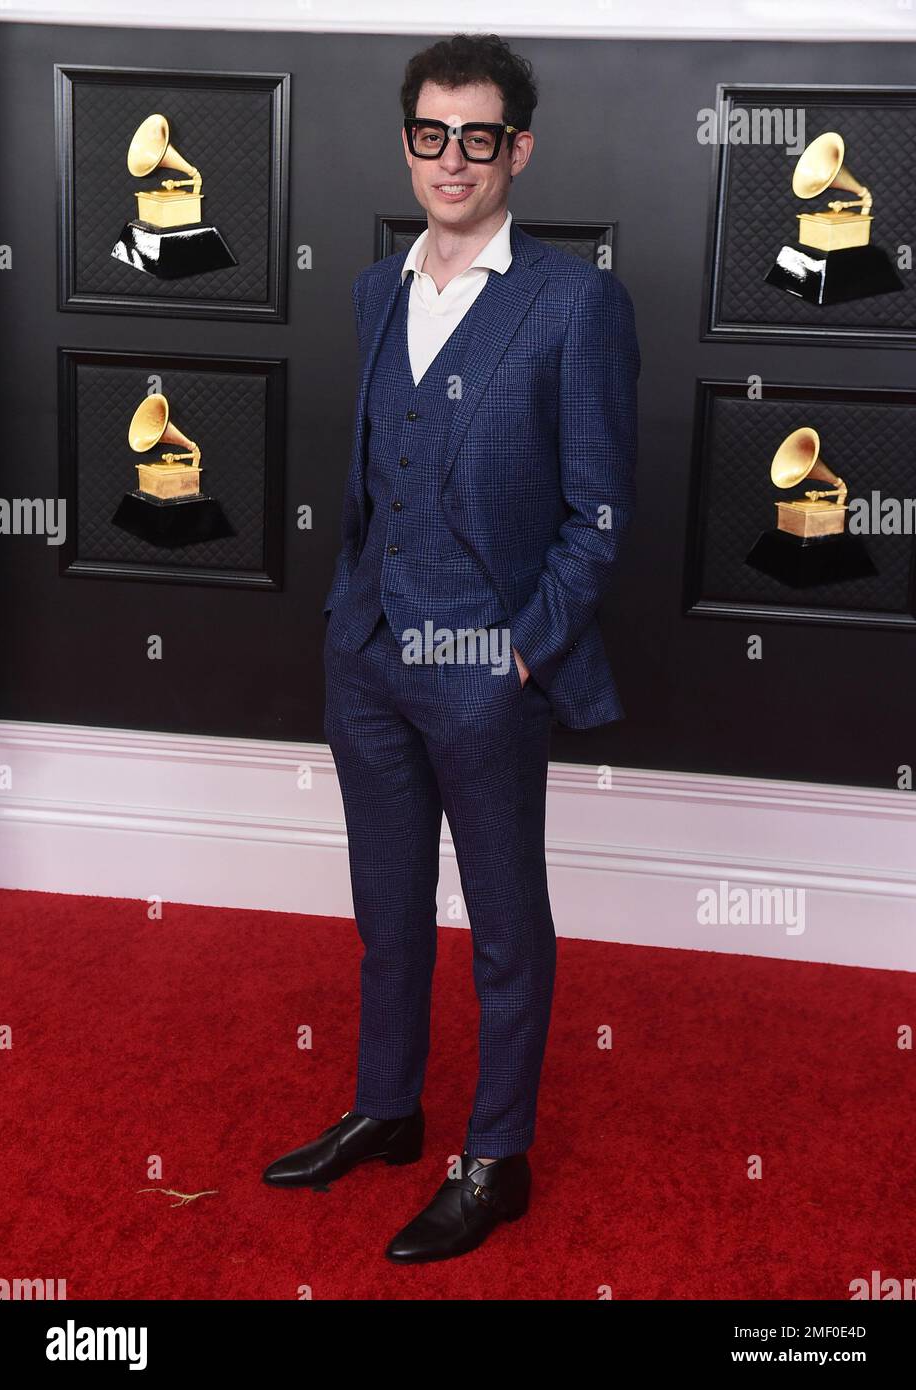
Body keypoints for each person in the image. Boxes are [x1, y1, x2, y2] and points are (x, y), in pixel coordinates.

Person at [263, 31, 639, 1264]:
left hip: (487, 670)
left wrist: (522, 651)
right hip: (366, 653)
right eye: (432, 134)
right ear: (408, 141)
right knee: (383, 908)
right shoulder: (375, 288)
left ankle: (496, 1155)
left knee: (503, 924)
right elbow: (373, 475)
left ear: (515, 149)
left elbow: (597, 514)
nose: (452, 158)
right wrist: (344, 619)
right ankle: (386, 1106)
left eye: (479, 137)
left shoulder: (575, 302)